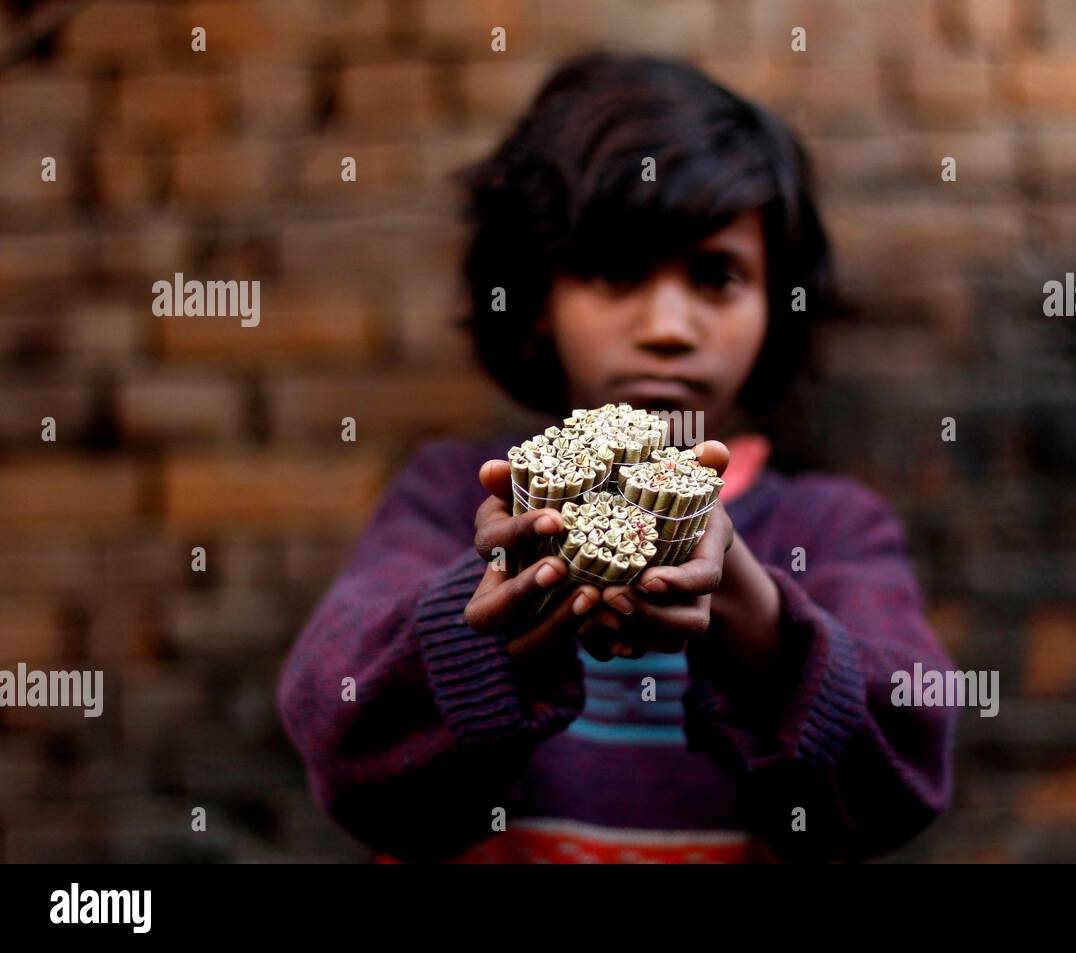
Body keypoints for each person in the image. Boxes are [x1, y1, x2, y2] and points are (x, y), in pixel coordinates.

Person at [277, 49, 956, 863]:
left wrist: (755, 619)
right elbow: (344, 745)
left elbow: (902, 779)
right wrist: (491, 615)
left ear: (776, 309)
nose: (668, 326)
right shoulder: (440, 499)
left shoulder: (835, 526)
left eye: (717, 277)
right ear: (535, 303)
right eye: (616, 273)